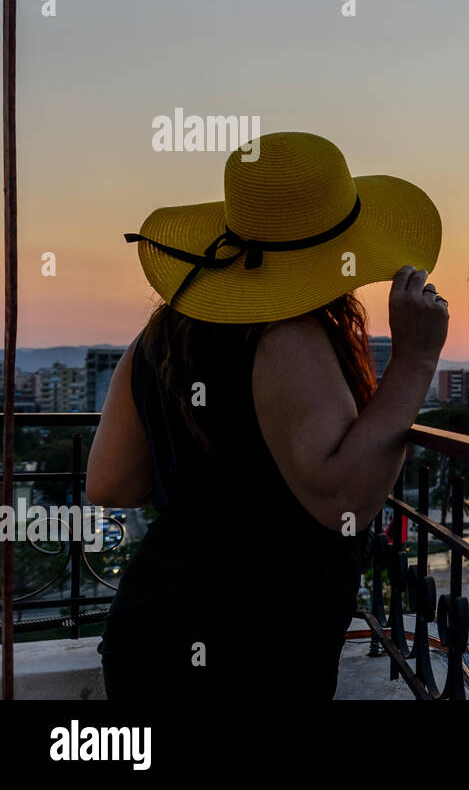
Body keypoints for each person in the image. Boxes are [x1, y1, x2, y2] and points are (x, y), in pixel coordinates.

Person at [88, 133, 446, 700]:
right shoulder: (287, 339)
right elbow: (342, 502)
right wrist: (415, 360)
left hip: (150, 628)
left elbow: (111, 481)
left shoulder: (156, 337)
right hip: (259, 642)